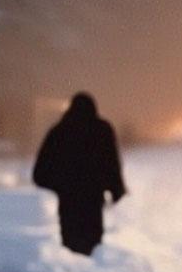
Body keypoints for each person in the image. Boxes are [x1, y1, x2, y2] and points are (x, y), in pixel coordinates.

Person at [33, 93, 126, 255]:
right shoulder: (102, 130)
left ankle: (71, 270)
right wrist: (116, 189)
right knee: (92, 242)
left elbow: (40, 171)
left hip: (68, 200)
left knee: (70, 241)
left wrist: (58, 186)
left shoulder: (59, 131)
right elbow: (111, 162)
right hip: (93, 199)